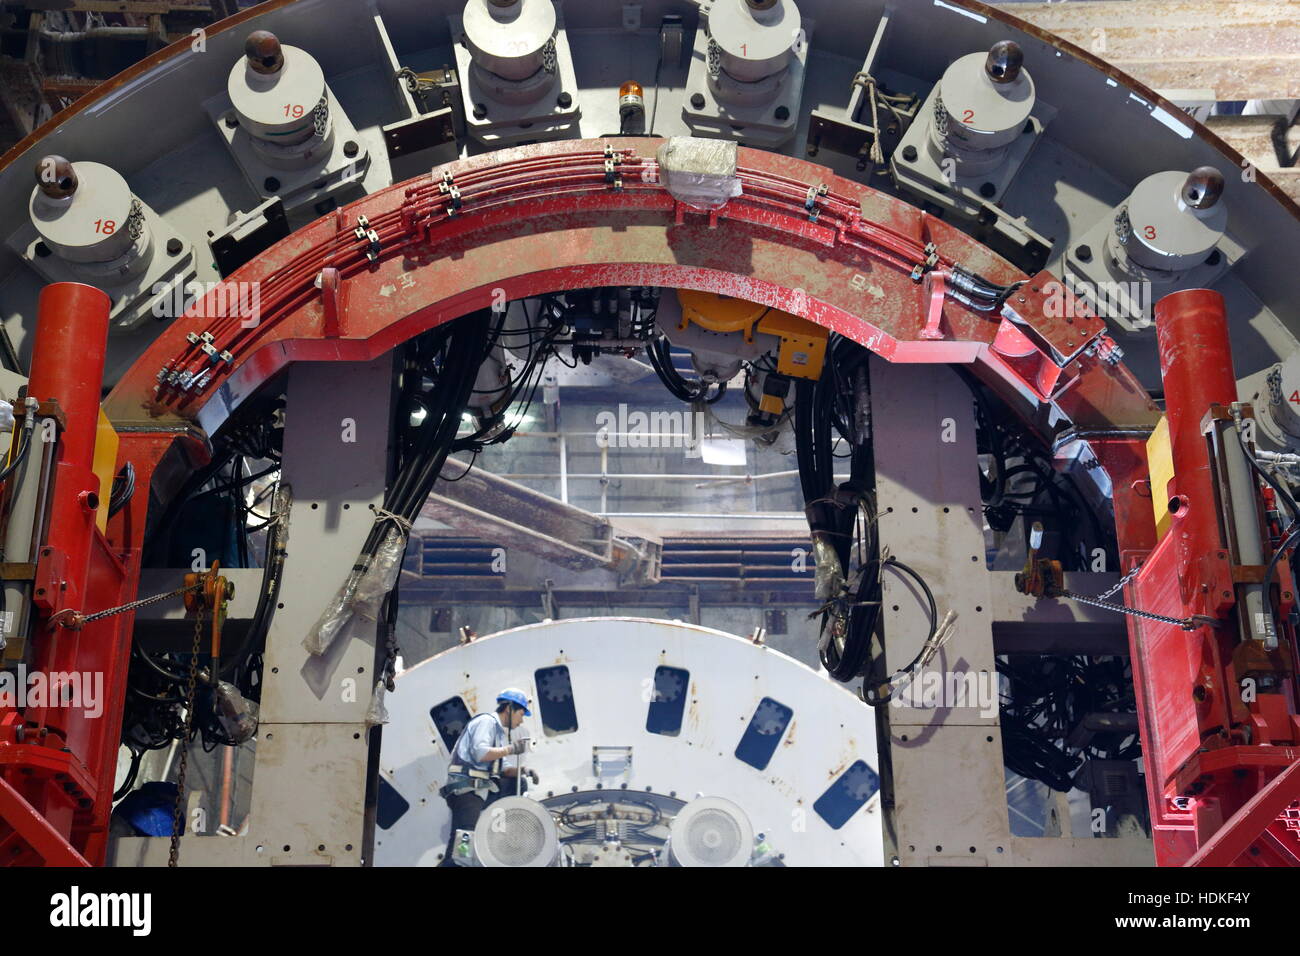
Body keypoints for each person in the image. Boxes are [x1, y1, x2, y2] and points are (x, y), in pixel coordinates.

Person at [437, 687, 532, 866]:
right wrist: (512, 749)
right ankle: (457, 863)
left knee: (519, 783)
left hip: (480, 789)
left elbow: (503, 768)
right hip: (465, 788)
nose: (521, 720)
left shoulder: (498, 733)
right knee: (465, 836)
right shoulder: (486, 722)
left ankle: (506, 833)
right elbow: (481, 753)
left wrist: (524, 771)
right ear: (509, 708)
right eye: (521, 713)